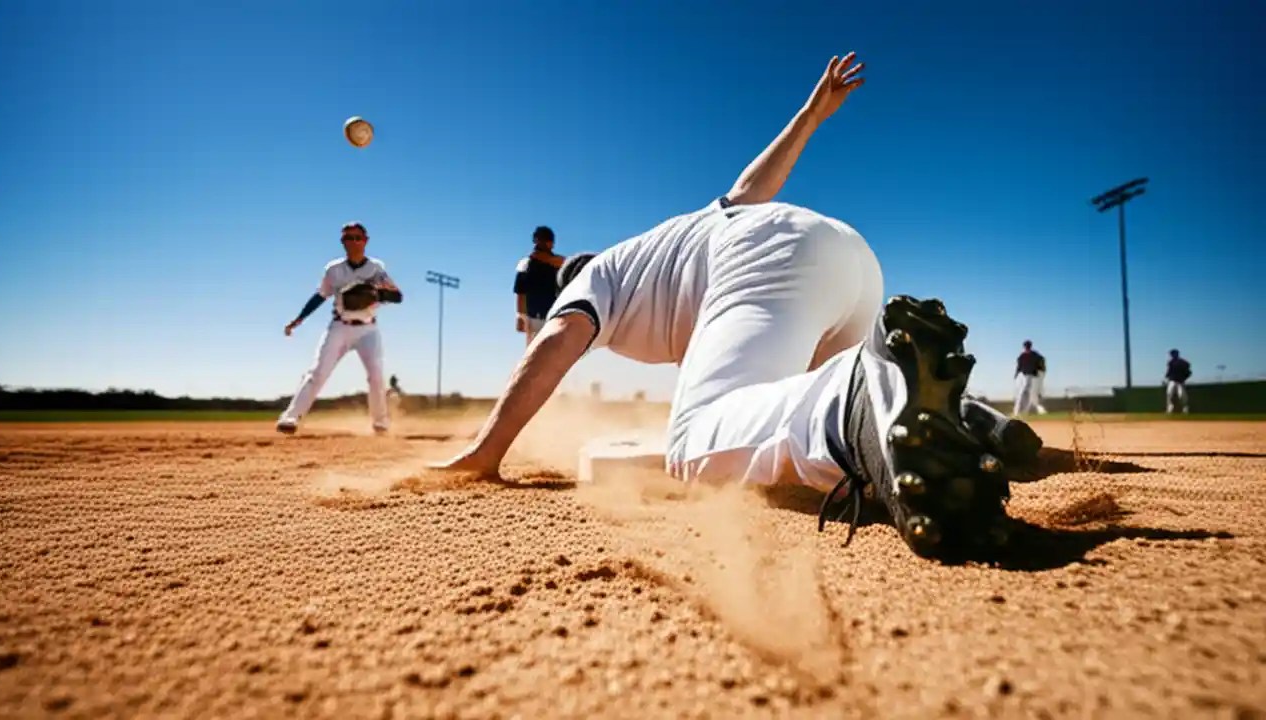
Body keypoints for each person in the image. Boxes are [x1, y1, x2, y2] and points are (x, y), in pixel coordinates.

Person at [432, 53, 1040, 560]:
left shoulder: (596, 278)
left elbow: (555, 341)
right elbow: (753, 188)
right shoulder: (667, 249)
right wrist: (811, 114)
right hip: (846, 256)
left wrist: (485, 453)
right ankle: (964, 419)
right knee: (771, 415)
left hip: (767, 260)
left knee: (695, 445)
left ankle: (859, 395)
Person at [277, 222, 403, 435]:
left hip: (368, 330)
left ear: (366, 241)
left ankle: (381, 423)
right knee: (317, 372)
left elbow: (398, 296)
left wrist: (375, 293)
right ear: (342, 242)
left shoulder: (376, 269)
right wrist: (299, 319)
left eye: (357, 238)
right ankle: (290, 418)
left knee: (376, 375)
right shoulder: (333, 270)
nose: (353, 242)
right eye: (348, 238)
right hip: (339, 327)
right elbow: (320, 295)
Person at [514, 227, 565, 345]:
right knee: (536, 354)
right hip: (534, 318)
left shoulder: (557, 263)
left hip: (554, 316)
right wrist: (521, 316)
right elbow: (520, 292)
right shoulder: (526, 263)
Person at [1012, 341, 1046, 416]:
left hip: (1032, 376)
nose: (1027, 347)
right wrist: (1016, 374)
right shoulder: (1024, 355)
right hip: (1026, 376)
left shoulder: (1033, 355)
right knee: (1025, 392)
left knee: (1028, 393)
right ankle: (1019, 411)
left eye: (1027, 346)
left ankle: (1022, 411)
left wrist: (1041, 369)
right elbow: (1019, 366)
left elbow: (1041, 362)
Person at [1165, 349, 1192, 414]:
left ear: (1177, 354)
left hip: (1180, 381)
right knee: (1169, 394)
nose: (1172, 355)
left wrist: (1184, 378)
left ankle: (1185, 408)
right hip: (1172, 381)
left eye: (1173, 354)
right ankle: (1170, 409)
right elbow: (1169, 371)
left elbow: (1188, 371)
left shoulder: (1182, 362)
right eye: (1172, 354)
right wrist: (1167, 376)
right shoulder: (1170, 362)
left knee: (1182, 395)